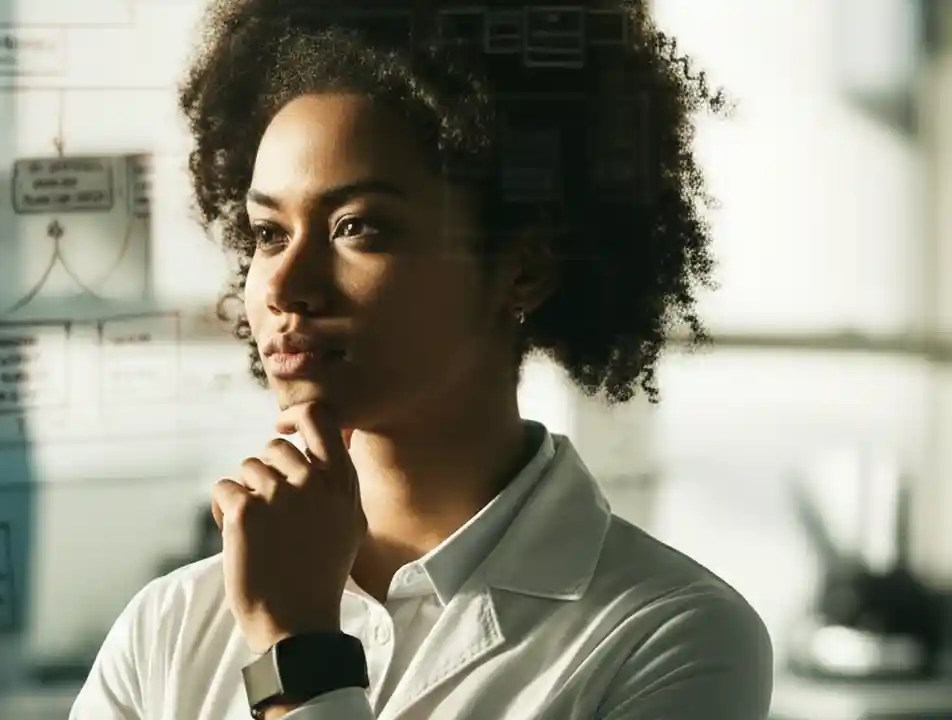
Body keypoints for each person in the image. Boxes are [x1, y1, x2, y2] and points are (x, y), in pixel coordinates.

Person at [72, 0, 772, 717]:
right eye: (268, 233)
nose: (283, 285)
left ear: (522, 267)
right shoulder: (165, 629)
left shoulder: (671, 635)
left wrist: (297, 652)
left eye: (358, 228)